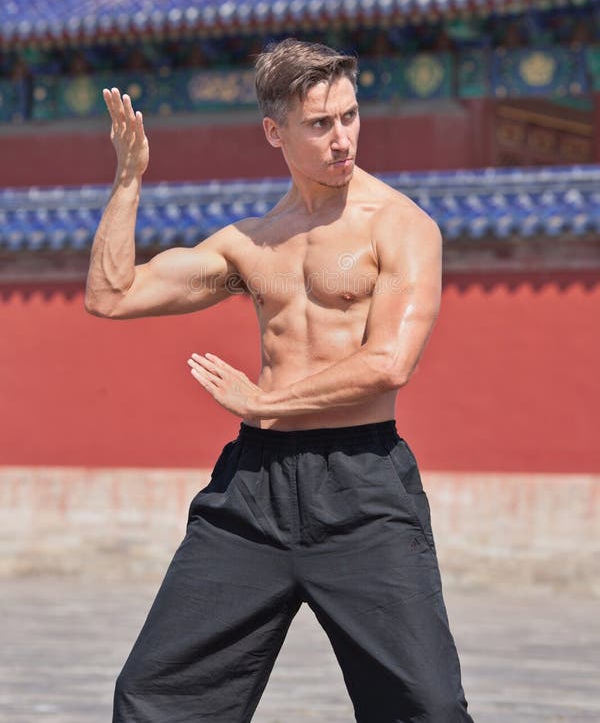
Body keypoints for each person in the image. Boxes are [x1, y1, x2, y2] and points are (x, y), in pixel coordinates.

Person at [85, 38, 474, 722]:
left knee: (428, 708)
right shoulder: (251, 242)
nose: (342, 139)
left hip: (363, 489)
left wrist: (267, 400)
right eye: (320, 125)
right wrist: (128, 179)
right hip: (253, 494)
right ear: (275, 131)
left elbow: (390, 362)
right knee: (152, 698)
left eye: (349, 116)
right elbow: (111, 295)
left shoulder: (403, 227)